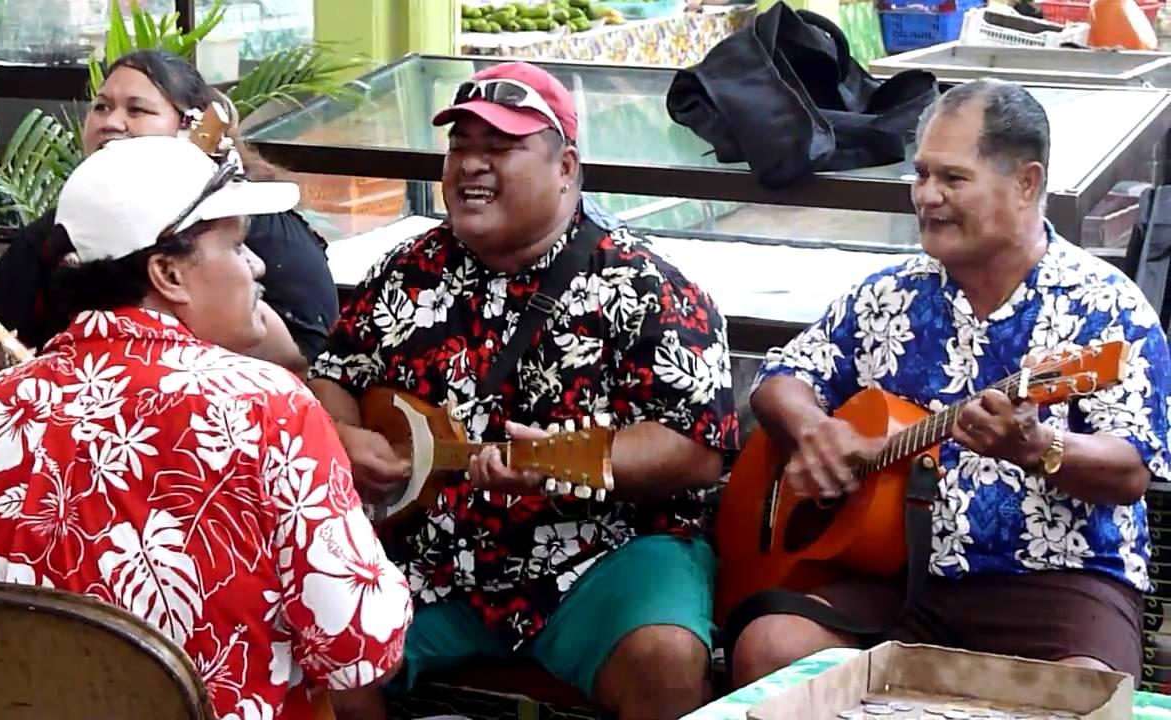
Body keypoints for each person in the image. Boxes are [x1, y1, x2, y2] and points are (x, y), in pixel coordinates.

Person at [0, 135, 411, 719]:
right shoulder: (267, 409)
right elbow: (362, 649)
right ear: (168, 272)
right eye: (238, 245)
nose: (258, 265)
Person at [308, 60, 739, 720]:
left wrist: (559, 463)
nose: (472, 165)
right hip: (436, 558)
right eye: (461, 147)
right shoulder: (408, 269)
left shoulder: (649, 286)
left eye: (501, 148)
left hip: (601, 555)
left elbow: (698, 447)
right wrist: (347, 437)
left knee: (666, 660)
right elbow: (335, 378)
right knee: (320, 657)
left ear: (566, 167)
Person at [727, 78, 1171, 687]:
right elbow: (780, 378)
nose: (926, 196)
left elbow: (1130, 471)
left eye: (953, 179)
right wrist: (815, 431)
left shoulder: (1106, 308)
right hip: (901, 578)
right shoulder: (890, 294)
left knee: (1085, 695)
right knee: (771, 649)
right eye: (921, 174)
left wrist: (1036, 448)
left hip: (1058, 581)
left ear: (1026, 183)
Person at [0, 48, 338, 384]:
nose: (111, 121)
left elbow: (299, 358)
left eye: (137, 109)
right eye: (102, 106)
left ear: (193, 128)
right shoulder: (62, 228)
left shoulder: (248, 213)